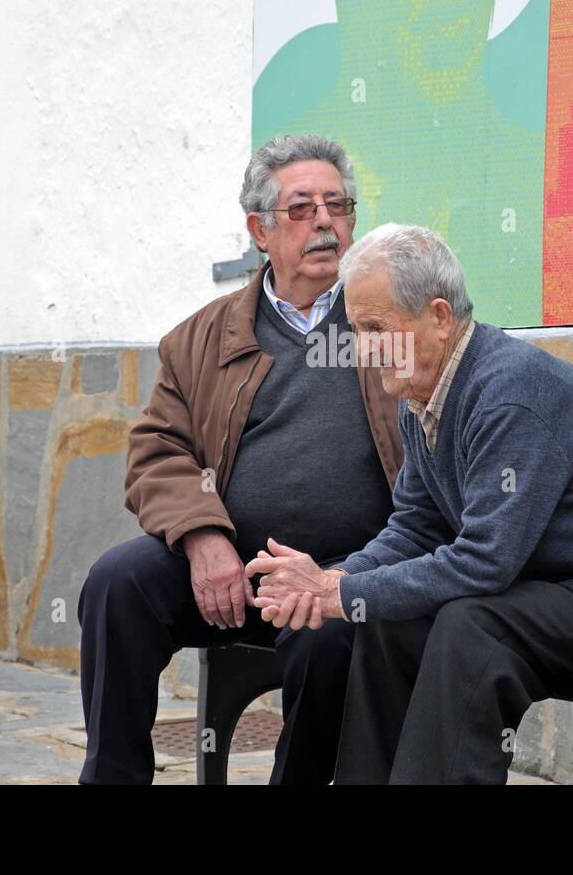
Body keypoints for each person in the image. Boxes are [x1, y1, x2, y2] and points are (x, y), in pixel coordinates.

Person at [248, 223, 573, 784]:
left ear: (438, 317)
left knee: (472, 626)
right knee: (390, 625)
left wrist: (342, 592)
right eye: (356, 330)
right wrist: (335, 580)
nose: (361, 349)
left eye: (376, 328)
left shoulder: (509, 393)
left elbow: (485, 562)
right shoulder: (421, 395)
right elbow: (415, 527)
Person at [76, 135, 402, 784]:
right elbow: (157, 450)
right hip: (232, 566)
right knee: (117, 582)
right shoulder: (204, 336)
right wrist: (203, 537)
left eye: (337, 206)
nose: (324, 222)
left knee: (330, 635)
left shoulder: (395, 319)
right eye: (302, 208)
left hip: (345, 571)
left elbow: (489, 390)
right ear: (259, 229)